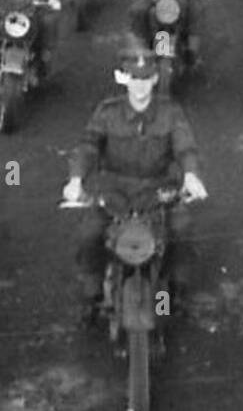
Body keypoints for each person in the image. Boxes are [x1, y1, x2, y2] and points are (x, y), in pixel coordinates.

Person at [64, 47, 208, 315]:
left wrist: (190, 176)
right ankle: (93, 292)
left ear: (155, 79)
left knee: (182, 229)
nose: (140, 85)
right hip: (115, 192)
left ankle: (174, 290)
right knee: (89, 234)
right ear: (123, 79)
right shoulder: (107, 112)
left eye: (146, 78)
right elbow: (88, 146)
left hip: (159, 189)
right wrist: (76, 179)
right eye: (134, 78)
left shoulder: (170, 111)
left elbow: (185, 147)